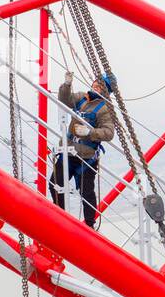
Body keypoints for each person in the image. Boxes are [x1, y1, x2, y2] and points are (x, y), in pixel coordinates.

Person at [49, 72, 116, 227]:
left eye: (101, 85)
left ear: (106, 90)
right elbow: (65, 100)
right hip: (69, 151)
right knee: (55, 184)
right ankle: (62, 216)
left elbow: (109, 132)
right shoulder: (82, 98)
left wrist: (90, 133)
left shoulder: (105, 109)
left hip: (87, 157)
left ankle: (89, 225)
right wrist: (66, 84)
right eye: (96, 82)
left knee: (87, 193)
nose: (96, 85)